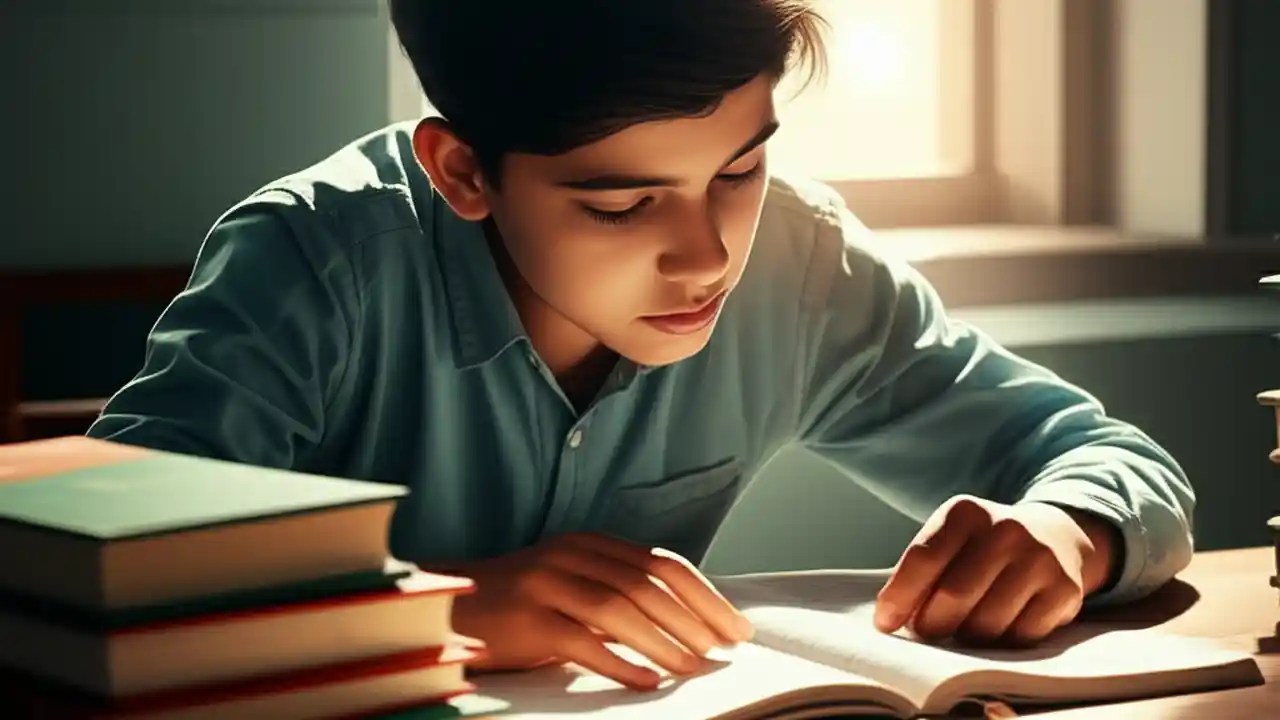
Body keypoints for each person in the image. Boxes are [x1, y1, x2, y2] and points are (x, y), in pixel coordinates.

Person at [88, 0, 1194, 691]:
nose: (706, 257)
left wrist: (1067, 532)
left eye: (739, 170)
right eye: (621, 205)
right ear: (462, 171)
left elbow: (1112, 460)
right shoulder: (313, 263)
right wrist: (437, 608)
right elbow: (82, 571)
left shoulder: (799, 261)